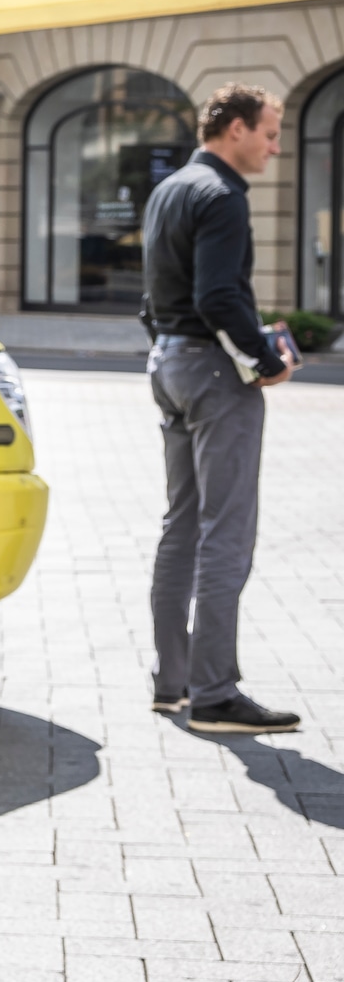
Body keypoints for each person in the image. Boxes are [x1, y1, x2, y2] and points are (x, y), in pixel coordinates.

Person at [141, 82, 295, 734]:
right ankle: (214, 693)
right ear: (233, 127)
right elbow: (217, 298)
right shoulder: (222, 196)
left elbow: (158, 296)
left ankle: (172, 681)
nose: (274, 145)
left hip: (169, 363)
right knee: (225, 531)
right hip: (210, 370)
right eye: (269, 132)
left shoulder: (170, 188)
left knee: (181, 524)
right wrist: (267, 359)